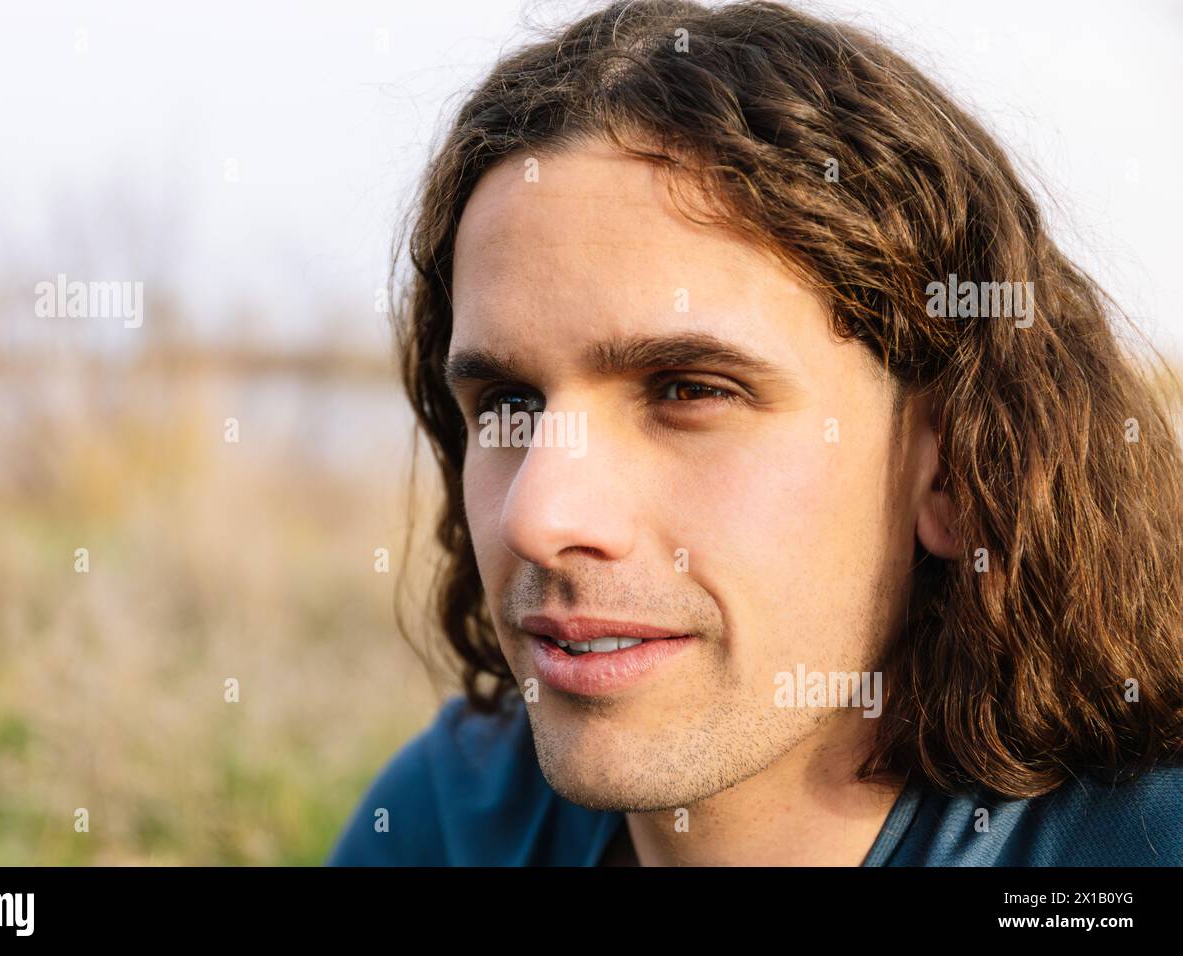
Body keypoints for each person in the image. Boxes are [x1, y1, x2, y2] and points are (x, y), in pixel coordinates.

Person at [327, 0, 1183, 866]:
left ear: (954, 467)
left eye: (689, 390)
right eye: (510, 405)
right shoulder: (447, 821)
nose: (536, 517)